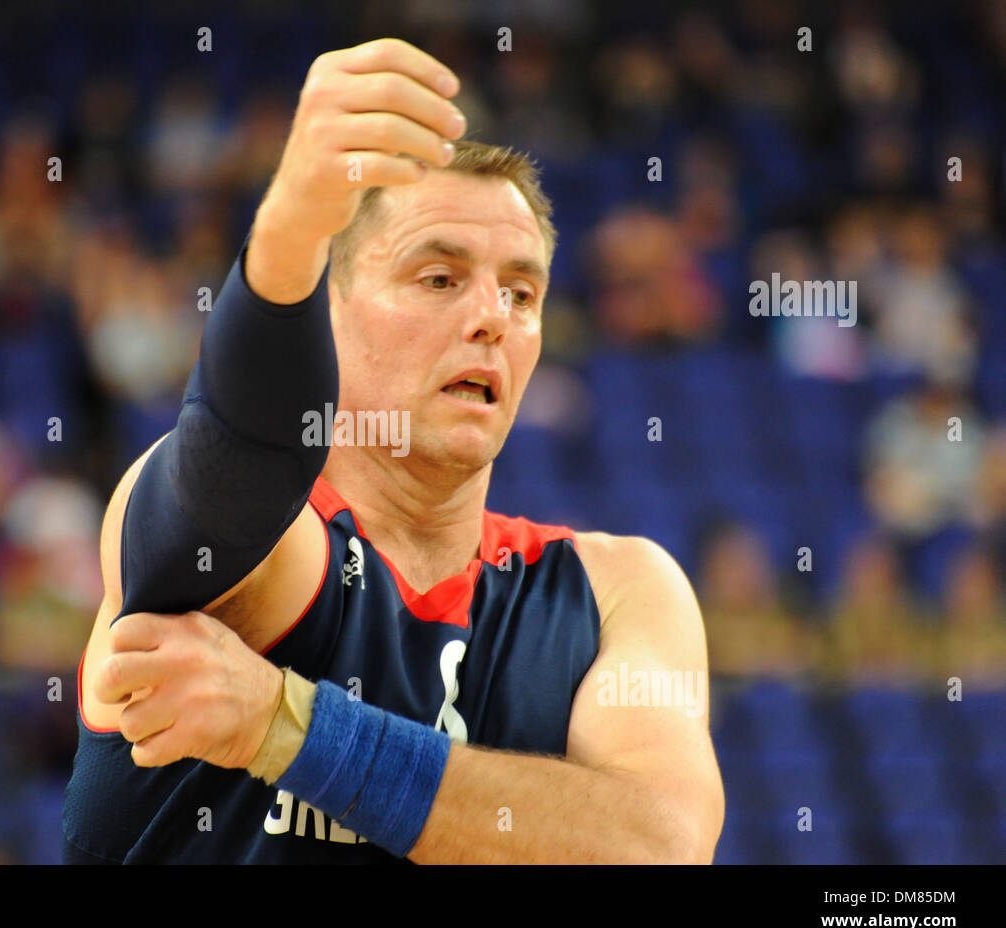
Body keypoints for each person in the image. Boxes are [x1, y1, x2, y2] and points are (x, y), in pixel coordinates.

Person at [63, 38, 724, 864]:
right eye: (439, 277)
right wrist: (291, 234)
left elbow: (656, 845)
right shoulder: (274, 553)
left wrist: (284, 725)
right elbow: (238, 455)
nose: (491, 316)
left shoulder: (618, 592)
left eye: (521, 292)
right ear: (326, 317)